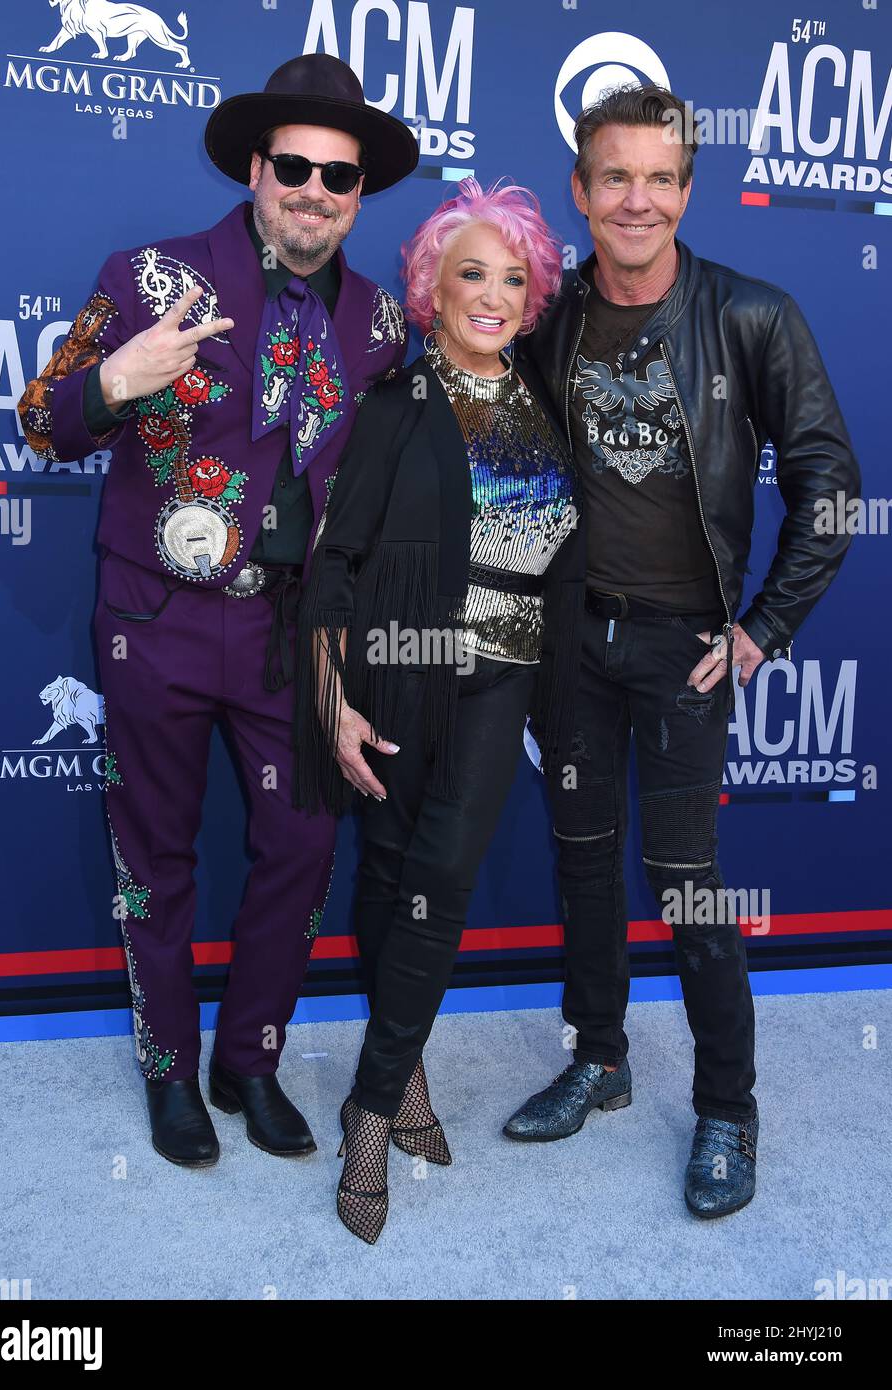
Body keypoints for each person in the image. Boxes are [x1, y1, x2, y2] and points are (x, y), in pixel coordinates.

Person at [17, 54, 418, 1168]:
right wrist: (114, 382)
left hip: (297, 632)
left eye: (338, 178)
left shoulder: (382, 326)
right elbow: (40, 417)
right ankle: (169, 1074)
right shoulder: (149, 278)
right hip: (157, 617)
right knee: (157, 853)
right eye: (293, 166)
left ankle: (250, 1057)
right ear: (255, 168)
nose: (314, 192)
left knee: (297, 845)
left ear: (357, 194)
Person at [503, 84, 859, 1217]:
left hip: (682, 651)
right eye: (614, 176)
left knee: (688, 885)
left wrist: (762, 629)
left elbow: (831, 488)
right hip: (569, 636)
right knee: (579, 857)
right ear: (579, 188)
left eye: (660, 177)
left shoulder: (751, 314)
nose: (636, 199)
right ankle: (599, 1058)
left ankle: (725, 1107)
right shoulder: (548, 314)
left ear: (687, 189)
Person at [294, 177, 586, 1243]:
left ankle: (366, 1109)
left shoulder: (547, 404)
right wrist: (330, 700)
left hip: (502, 678)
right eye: (472, 271)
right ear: (431, 284)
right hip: (394, 669)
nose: (493, 293)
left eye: (514, 277)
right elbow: (333, 569)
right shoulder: (391, 407)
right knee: (385, 873)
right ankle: (405, 1075)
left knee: (439, 881)